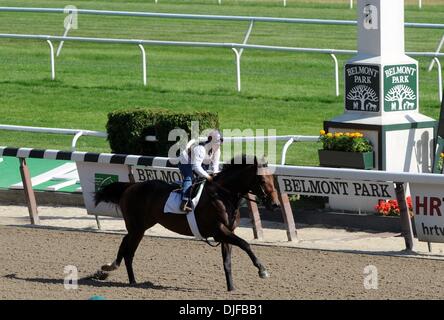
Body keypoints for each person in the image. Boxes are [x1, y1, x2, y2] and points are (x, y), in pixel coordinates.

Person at [178, 129, 223, 212]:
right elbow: (196, 167)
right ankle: (183, 202)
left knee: (202, 179)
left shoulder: (217, 150)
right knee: (190, 178)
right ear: (210, 141)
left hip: (198, 162)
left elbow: (215, 165)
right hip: (185, 161)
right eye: (217, 142)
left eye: (220, 142)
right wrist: (208, 176)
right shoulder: (200, 149)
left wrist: (215, 174)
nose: (219, 144)